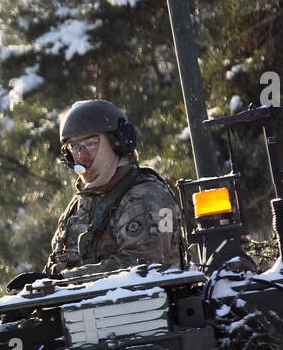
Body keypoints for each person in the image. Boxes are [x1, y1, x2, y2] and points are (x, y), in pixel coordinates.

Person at [45, 99, 183, 274]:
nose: (82, 155)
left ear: (117, 143)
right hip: (84, 301)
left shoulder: (148, 196)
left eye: (90, 144)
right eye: (74, 147)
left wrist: (67, 279)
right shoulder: (79, 203)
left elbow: (145, 267)